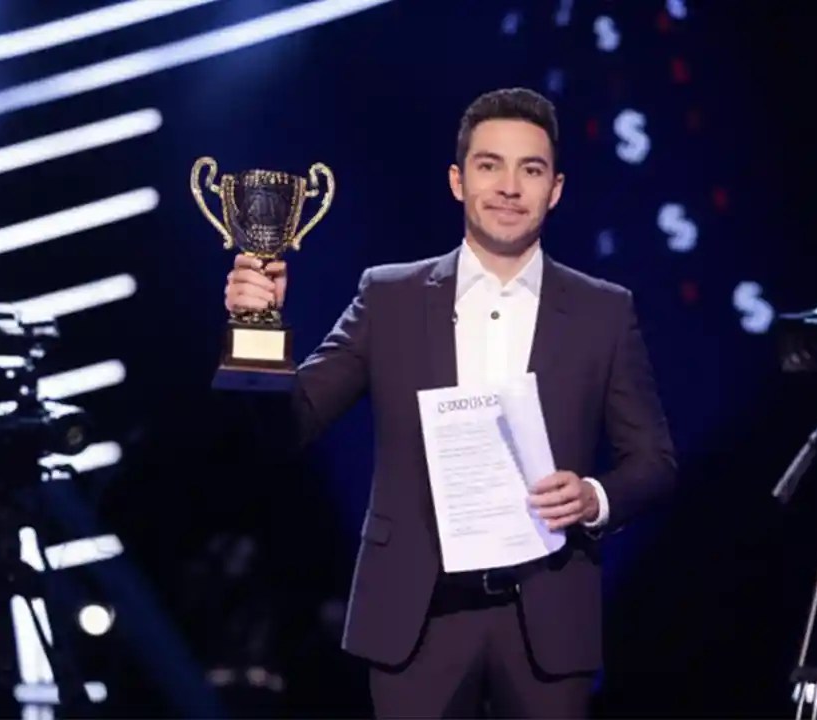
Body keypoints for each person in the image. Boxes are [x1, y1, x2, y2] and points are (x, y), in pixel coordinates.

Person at [223, 87, 677, 717]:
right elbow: (289, 426)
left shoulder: (604, 310)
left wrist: (594, 497)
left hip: (546, 614)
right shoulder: (390, 298)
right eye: (490, 165)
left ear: (557, 189)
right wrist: (258, 328)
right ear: (458, 181)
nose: (511, 187)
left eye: (532, 169)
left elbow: (653, 461)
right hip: (419, 617)